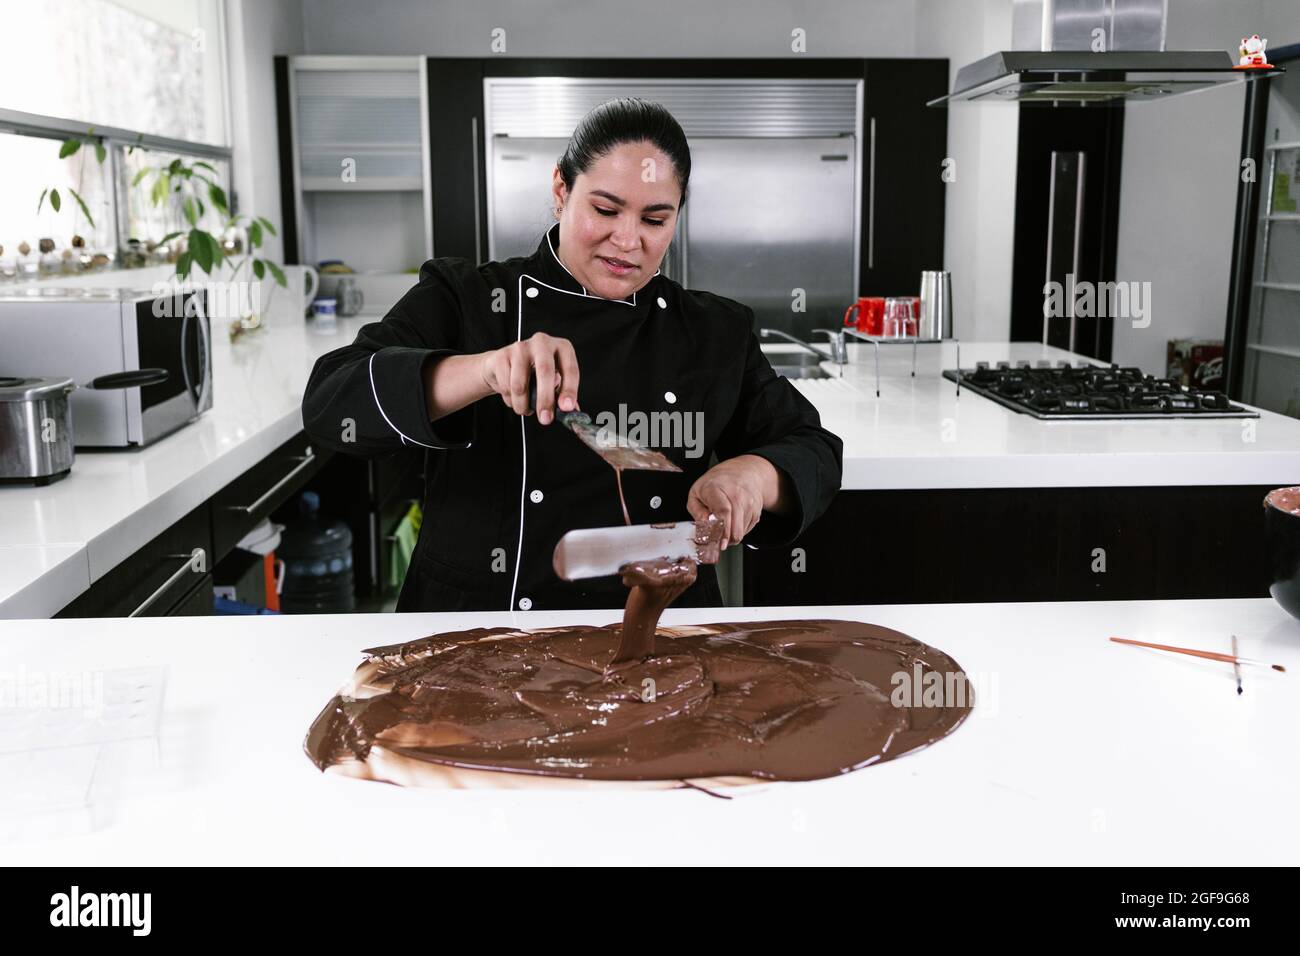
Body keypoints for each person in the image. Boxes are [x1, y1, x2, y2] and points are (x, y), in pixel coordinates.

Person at [301, 97, 843, 612]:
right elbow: (333, 405)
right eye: (606, 209)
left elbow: (812, 447)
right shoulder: (468, 299)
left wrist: (754, 475)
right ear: (561, 188)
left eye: (655, 220)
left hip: (663, 634)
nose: (628, 240)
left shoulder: (712, 329)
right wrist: (484, 370)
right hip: (482, 630)